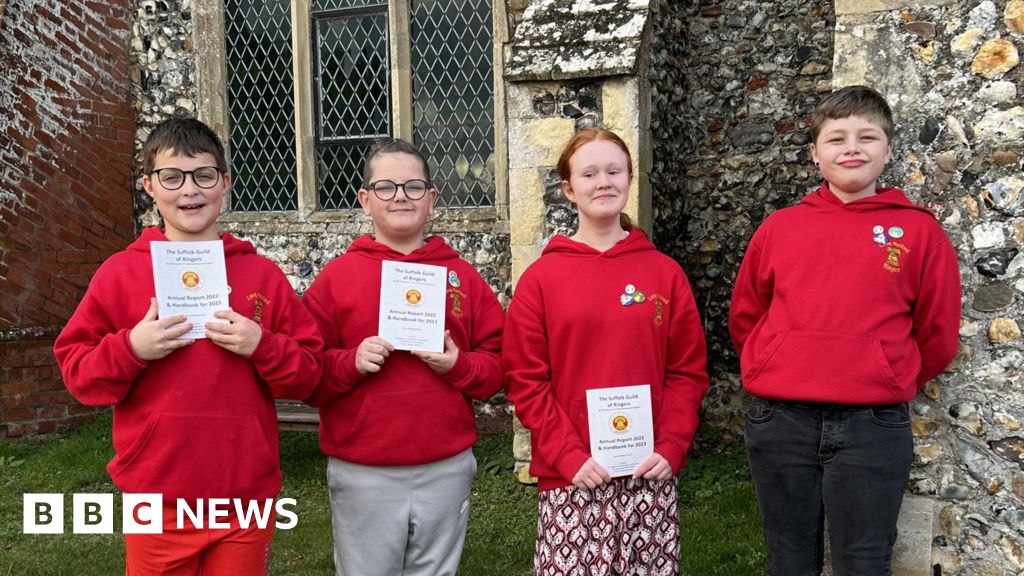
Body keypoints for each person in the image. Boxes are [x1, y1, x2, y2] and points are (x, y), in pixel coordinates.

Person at [53, 117, 323, 576]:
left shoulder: (261, 276)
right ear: (150, 187)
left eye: (203, 176)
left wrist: (263, 346)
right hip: (157, 491)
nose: (189, 191)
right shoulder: (119, 274)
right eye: (172, 178)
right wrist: (132, 348)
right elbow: (78, 373)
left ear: (224, 182)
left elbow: (311, 374)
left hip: (243, 491)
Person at [729, 85, 961, 576]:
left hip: (871, 425)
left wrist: (882, 371)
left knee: (863, 561)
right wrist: (773, 361)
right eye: (836, 138)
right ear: (815, 153)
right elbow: (748, 315)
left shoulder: (918, 232)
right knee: (789, 559)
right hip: (782, 421)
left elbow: (937, 330)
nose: (852, 148)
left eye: (866, 136)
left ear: (888, 148)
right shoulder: (780, 229)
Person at [502, 127, 709, 576]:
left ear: (629, 179)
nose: (603, 182)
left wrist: (672, 445)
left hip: (647, 470)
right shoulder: (541, 279)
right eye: (589, 173)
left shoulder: (664, 273)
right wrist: (567, 455)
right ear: (568, 188)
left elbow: (687, 372)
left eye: (614, 171)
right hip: (573, 474)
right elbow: (525, 379)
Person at [302, 138, 504, 576]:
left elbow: (499, 366)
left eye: (413, 187)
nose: (400, 197)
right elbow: (304, 372)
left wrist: (458, 366)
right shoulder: (336, 279)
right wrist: (350, 362)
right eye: (386, 187)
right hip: (365, 467)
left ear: (431, 199)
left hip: (444, 464)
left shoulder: (461, 277)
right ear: (365, 199)